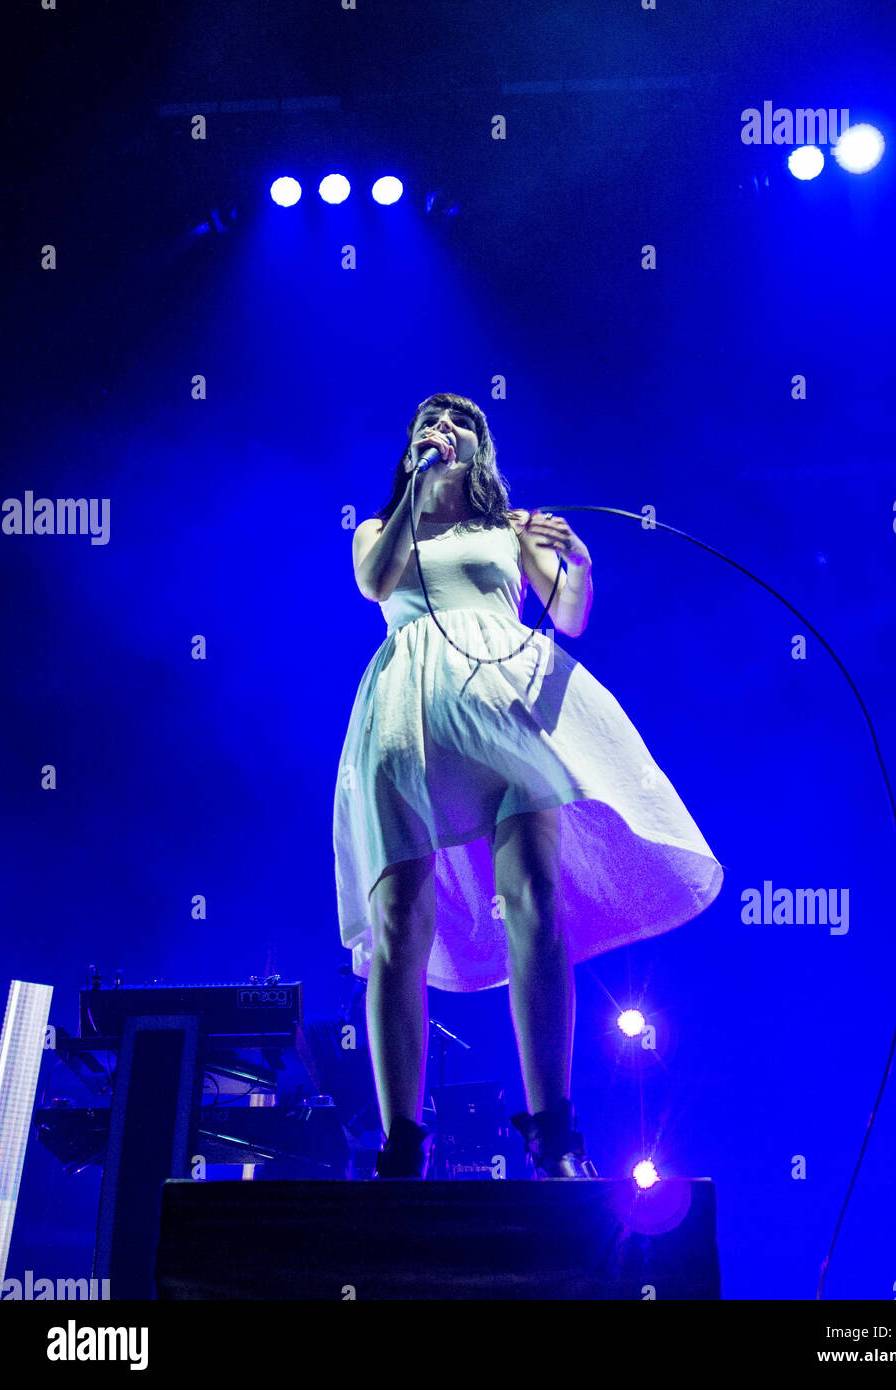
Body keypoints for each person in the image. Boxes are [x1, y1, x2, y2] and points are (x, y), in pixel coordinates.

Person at [333, 392, 723, 1179]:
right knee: (403, 922)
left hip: (512, 705)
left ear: (483, 449)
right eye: (426, 427)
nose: (442, 433)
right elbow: (377, 586)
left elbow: (568, 615)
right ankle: (402, 1145)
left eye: (460, 426)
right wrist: (417, 488)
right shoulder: (379, 528)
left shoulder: (507, 530)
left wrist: (575, 563)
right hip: (412, 717)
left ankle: (552, 1135)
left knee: (535, 902)